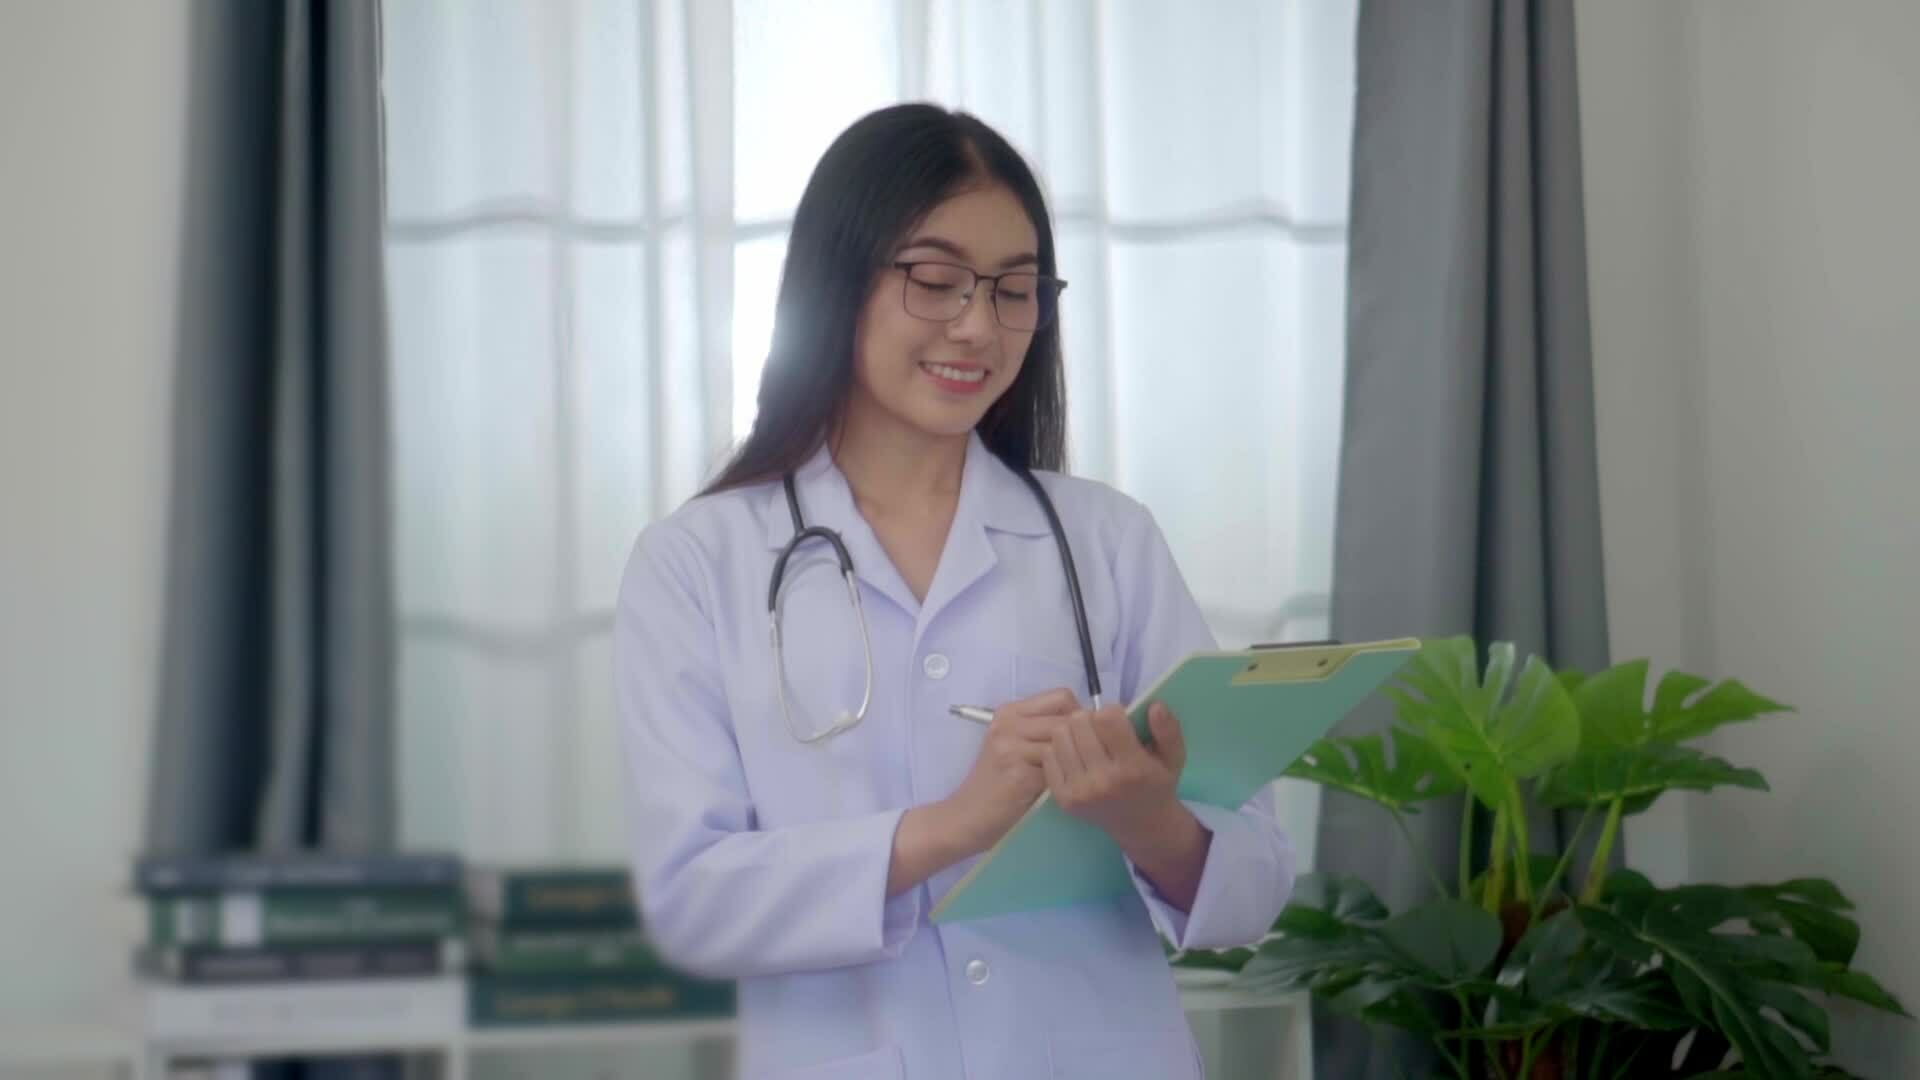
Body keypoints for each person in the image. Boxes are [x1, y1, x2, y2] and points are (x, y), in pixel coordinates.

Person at [614, 103, 1295, 1079]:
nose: (978, 325)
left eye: (1015, 290)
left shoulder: (1106, 541)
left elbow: (1259, 878)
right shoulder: (698, 563)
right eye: (936, 281)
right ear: (838, 279)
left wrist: (1152, 824)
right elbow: (692, 903)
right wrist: (953, 827)